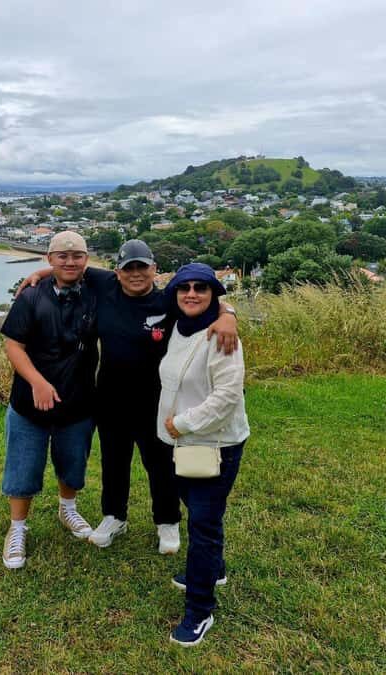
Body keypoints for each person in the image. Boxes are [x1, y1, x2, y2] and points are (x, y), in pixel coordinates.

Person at [19, 241, 238, 555]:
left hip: (158, 399)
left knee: (160, 463)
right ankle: (114, 517)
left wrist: (228, 315)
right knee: (114, 462)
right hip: (110, 396)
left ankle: (167, 521)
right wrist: (41, 273)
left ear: (154, 270)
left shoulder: (169, 299)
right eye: (128, 268)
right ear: (117, 272)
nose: (135, 274)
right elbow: (71, 269)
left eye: (142, 267)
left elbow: (206, 304)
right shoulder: (104, 285)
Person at [157, 262, 250, 647]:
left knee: (203, 525)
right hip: (179, 443)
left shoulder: (222, 337)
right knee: (201, 515)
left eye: (201, 288)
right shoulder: (178, 327)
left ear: (214, 295)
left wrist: (184, 423)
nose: (191, 294)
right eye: (184, 288)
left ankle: (199, 610)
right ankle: (214, 570)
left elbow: (228, 397)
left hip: (214, 444)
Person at [0, 231, 99, 570]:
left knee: (73, 462)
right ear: (49, 258)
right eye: (62, 256)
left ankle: (67, 509)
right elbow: (14, 345)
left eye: (77, 256)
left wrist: (226, 310)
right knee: (23, 466)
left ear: (87, 258)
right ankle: (17, 528)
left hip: (79, 399)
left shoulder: (97, 292)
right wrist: (38, 382)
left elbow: (144, 284)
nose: (70, 262)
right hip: (30, 402)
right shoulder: (30, 297)